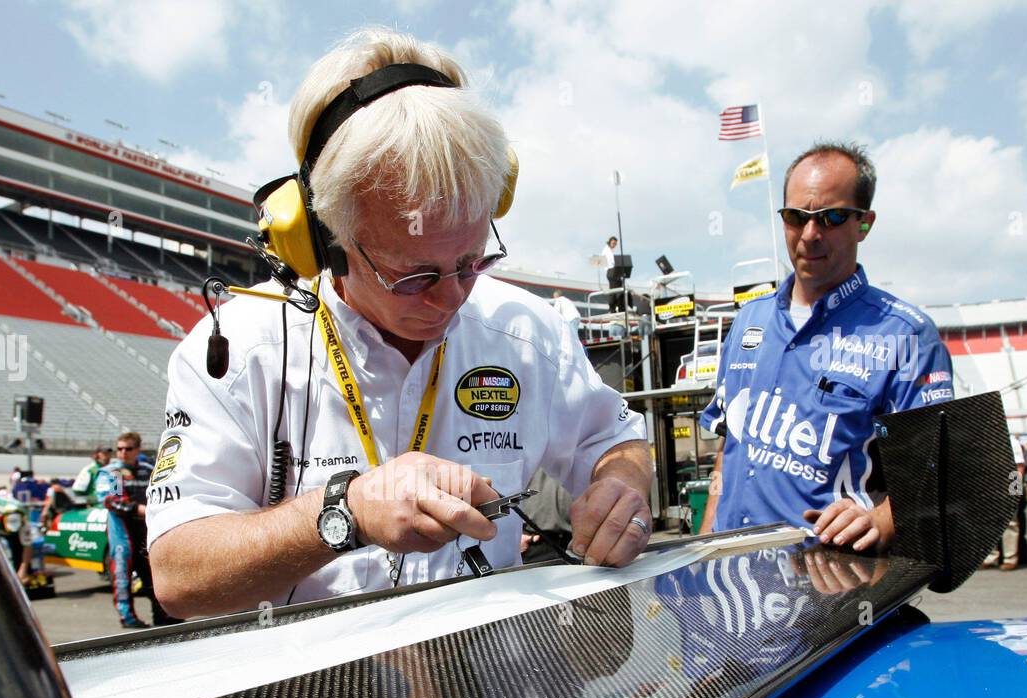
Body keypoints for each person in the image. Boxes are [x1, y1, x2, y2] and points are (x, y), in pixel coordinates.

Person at [147, 29, 652, 619]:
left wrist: (624, 489)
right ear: (325, 242)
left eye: (471, 262)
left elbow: (616, 441)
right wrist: (346, 512)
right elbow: (178, 574)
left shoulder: (528, 328)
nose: (451, 299)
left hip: (487, 694)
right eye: (413, 276)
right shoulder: (241, 346)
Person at [700, 141, 954, 550]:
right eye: (796, 217)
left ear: (865, 223)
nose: (810, 235)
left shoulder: (905, 334)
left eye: (833, 218)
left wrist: (879, 519)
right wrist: (702, 548)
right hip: (732, 587)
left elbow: (934, 472)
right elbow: (729, 448)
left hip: (831, 595)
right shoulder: (749, 320)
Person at [97, 431, 176, 628]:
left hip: (147, 530)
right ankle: (128, 618)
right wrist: (140, 509)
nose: (123, 453)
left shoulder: (149, 468)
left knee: (154, 574)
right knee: (122, 576)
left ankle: (164, 615)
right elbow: (113, 501)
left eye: (128, 449)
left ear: (137, 450)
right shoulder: (113, 472)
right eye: (120, 449)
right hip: (122, 532)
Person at [41, 444, 110, 527]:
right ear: (97, 454)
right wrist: (93, 499)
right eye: (105, 454)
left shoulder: (113, 469)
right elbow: (78, 490)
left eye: (109, 454)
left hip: (109, 505)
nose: (107, 456)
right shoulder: (89, 470)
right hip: (95, 507)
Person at [984, 433, 1025, 570]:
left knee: (1010, 523)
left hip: (1007, 486)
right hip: (989, 487)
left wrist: (1015, 491)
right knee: (989, 522)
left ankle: (1010, 559)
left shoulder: (1011, 441)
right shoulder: (985, 441)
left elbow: (1018, 467)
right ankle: (990, 557)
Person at [602, 236, 626, 313]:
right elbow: (611, 262)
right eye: (613, 243)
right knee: (614, 291)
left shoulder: (610, 250)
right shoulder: (607, 250)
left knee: (618, 290)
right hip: (611, 271)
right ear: (609, 242)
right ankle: (613, 308)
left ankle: (618, 307)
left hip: (614, 271)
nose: (614, 245)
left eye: (615, 244)